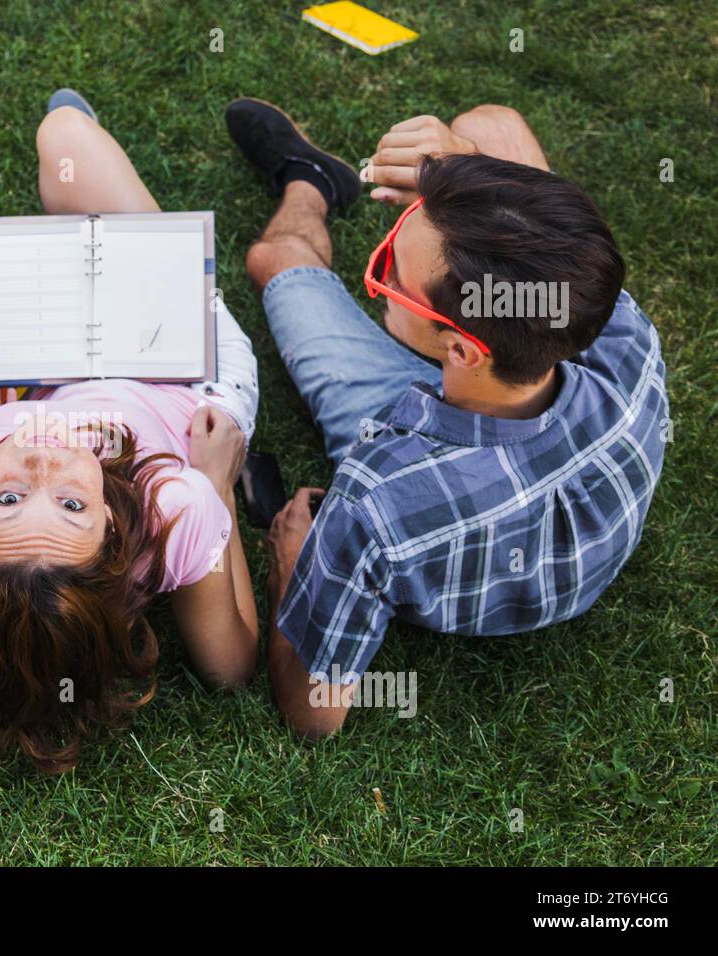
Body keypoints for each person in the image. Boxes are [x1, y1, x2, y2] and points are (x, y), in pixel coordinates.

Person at [224, 98, 668, 736]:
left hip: (448, 479)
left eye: (388, 273)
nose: (378, 268)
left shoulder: (381, 499)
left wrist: (291, 567)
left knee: (278, 262)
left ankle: (310, 182)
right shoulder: (625, 338)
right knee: (495, 126)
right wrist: (464, 167)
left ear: (461, 348)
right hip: (524, 434)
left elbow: (313, 712)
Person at [0, 90, 261, 772]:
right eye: (74, 507)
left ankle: (82, 199)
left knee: (63, 154)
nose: (42, 469)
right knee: (66, 137)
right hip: (181, 375)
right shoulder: (174, 506)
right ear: (116, 535)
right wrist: (219, 482)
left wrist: (1, 414)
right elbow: (230, 668)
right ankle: (123, 217)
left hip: (49, 365)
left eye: (8, 501)